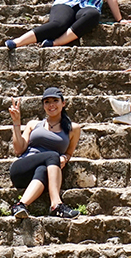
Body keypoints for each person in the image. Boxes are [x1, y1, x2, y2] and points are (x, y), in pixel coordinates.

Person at [8, 87, 81, 219]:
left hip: (45, 173)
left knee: (42, 169)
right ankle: (56, 205)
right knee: (53, 155)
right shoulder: (33, 124)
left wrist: (65, 157)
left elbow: (69, 153)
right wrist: (16, 122)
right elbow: (19, 149)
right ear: (43, 105)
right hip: (23, 168)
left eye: (55, 100)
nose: (51, 105)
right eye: (47, 102)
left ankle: (20, 205)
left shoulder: (73, 128)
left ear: (63, 103)